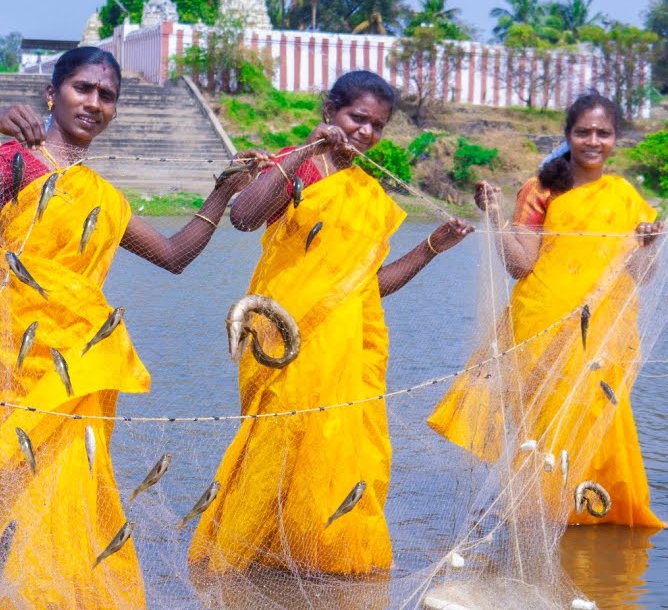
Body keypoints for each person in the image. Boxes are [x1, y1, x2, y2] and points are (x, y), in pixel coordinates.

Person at [0, 47, 267, 608]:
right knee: (9, 492)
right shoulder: (16, 162)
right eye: (83, 88)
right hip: (12, 366)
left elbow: (174, 255)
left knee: (67, 498)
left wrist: (223, 192)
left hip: (75, 372)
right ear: (52, 94)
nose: (94, 102)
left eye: (107, 95)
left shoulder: (104, 198)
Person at [187, 70, 474, 576]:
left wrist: (432, 247)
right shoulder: (298, 167)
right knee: (277, 441)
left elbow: (371, 287)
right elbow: (244, 216)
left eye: (377, 125)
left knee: (338, 447)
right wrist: (306, 147)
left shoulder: (369, 195)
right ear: (329, 112)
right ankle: (241, 558)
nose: (365, 132)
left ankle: (316, 556)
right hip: (284, 339)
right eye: (356, 118)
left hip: (346, 350)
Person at [428, 91, 668, 528]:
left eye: (603, 133)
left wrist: (649, 245)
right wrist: (495, 216)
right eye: (583, 132)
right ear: (568, 135)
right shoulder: (541, 189)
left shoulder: (625, 195)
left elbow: (642, 274)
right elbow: (520, 266)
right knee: (546, 421)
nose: (593, 141)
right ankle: (539, 514)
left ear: (616, 138)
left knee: (600, 414)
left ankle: (600, 516)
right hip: (543, 322)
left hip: (602, 329)